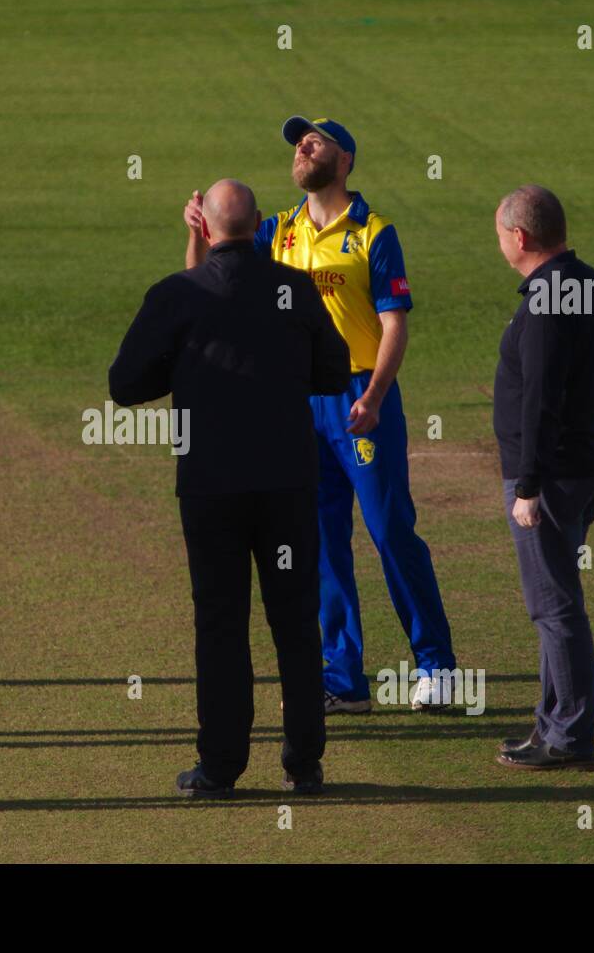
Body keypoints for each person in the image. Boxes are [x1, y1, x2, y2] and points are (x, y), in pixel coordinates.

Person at [184, 115, 457, 715]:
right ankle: (344, 678)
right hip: (297, 403)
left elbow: (395, 324)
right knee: (320, 541)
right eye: (298, 141)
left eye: (316, 140)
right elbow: (207, 282)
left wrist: (377, 396)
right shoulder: (277, 232)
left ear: (346, 160)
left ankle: (436, 666)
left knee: (389, 530)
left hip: (361, 396)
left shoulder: (373, 234)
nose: (302, 146)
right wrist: (199, 230)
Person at [112, 179, 350, 797]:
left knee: (220, 625)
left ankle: (220, 766)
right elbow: (331, 368)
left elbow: (124, 384)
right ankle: (304, 764)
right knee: (295, 622)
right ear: (260, 225)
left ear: (206, 229)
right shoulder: (293, 289)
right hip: (287, 484)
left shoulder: (177, 294)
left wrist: (187, 368)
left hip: (211, 486)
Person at [491, 185, 594, 771]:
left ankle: (569, 734)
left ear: (520, 237)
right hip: (587, 461)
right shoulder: (590, 283)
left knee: (554, 605)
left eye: (500, 234)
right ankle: (551, 725)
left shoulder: (544, 301)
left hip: (551, 474)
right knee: (556, 597)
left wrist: (528, 487)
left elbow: (540, 399)